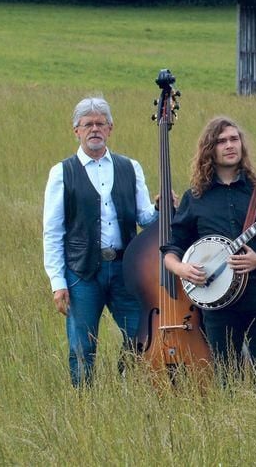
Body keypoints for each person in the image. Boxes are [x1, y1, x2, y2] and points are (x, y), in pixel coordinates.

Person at [162, 116, 256, 393]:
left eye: (234, 139)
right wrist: (183, 270)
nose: (229, 145)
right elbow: (172, 250)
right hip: (217, 302)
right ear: (210, 149)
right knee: (227, 379)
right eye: (221, 141)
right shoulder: (195, 198)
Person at [43, 97, 158, 387]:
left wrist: (162, 209)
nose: (94, 129)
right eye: (88, 124)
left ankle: (125, 382)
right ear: (76, 131)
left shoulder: (130, 167)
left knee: (142, 334)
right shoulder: (62, 172)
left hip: (126, 269)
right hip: (82, 272)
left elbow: (145, 217)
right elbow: (53, 231)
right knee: (82, 347)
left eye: (100, 123)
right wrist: (58, 282)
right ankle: (84, 403)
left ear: (110, 128)